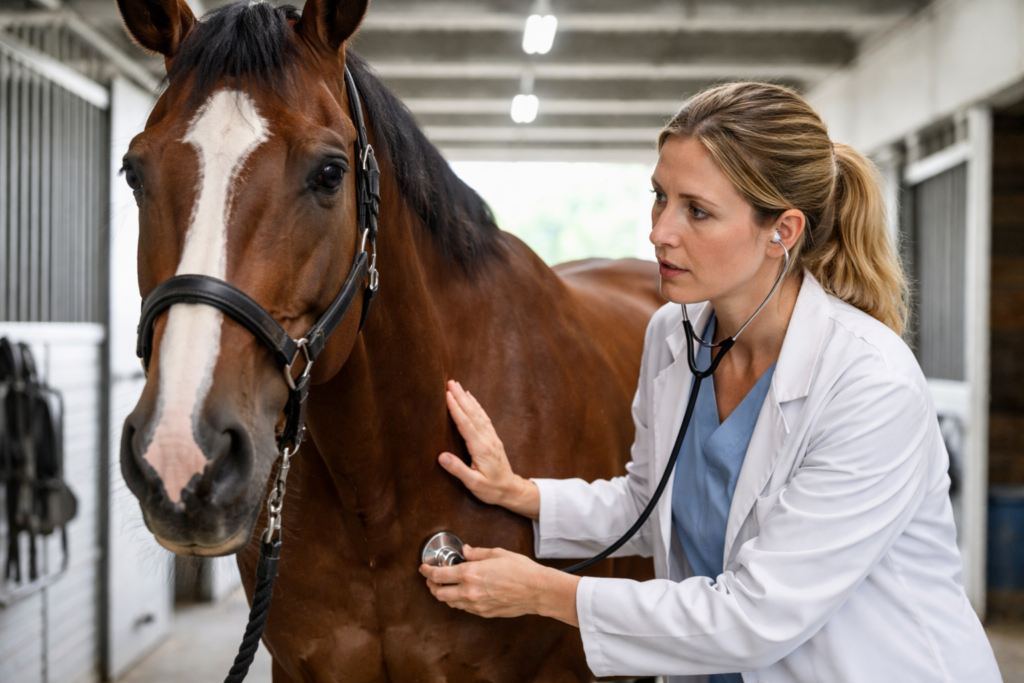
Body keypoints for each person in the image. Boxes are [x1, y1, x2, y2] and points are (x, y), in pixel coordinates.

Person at [418, 82, 1001, 683]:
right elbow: (650, 504)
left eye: (696, 211)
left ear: (783, 231)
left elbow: (756, 617)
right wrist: (519, 492)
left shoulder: (870, 385)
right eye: (659, 198)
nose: (659, 232)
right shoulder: (674, 333)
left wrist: (544, 592)